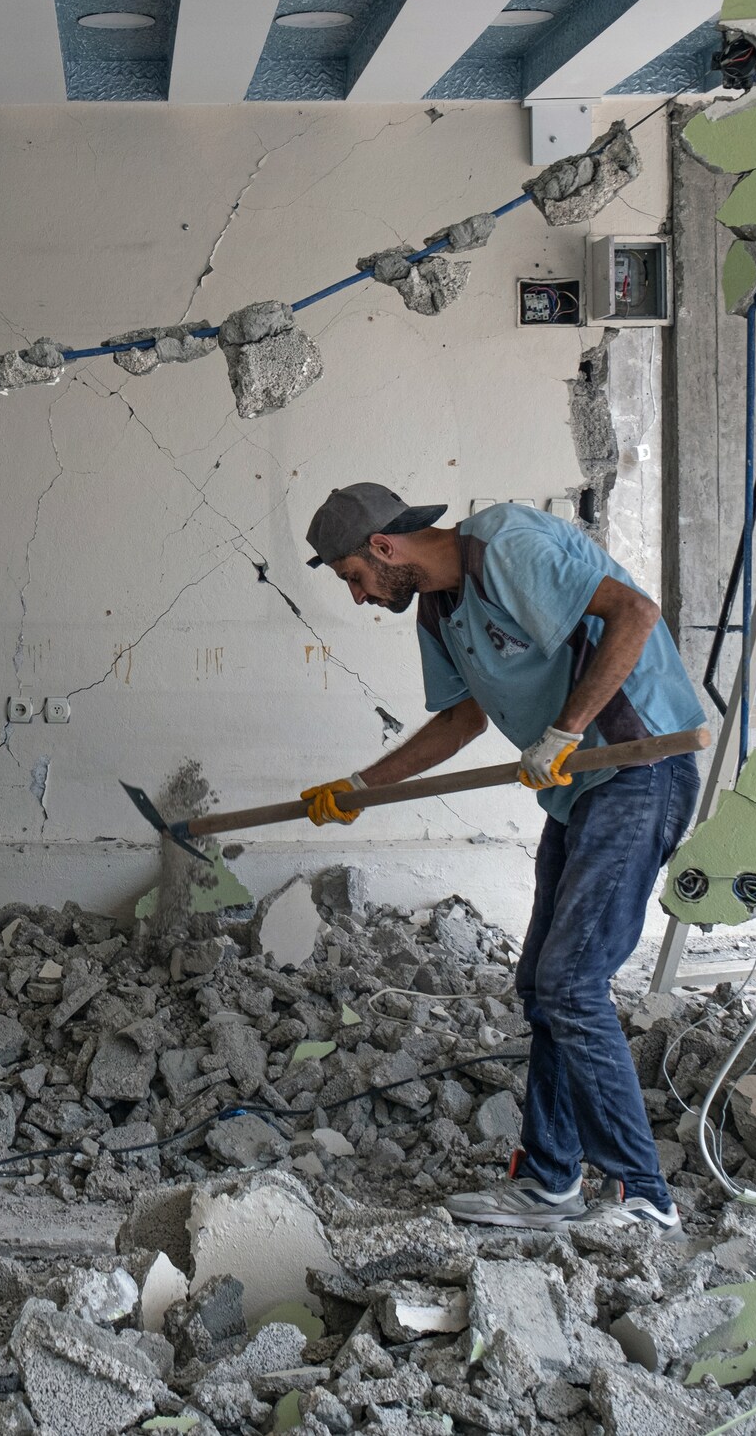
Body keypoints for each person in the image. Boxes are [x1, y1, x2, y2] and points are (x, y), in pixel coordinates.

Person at [299, 483, 706, 1230]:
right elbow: (461, 720)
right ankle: (550, 1181)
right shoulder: (439, 611)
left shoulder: (505, 546)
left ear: (384, 548)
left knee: (573, 981)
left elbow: (635, 615)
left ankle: (643, 1196)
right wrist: (361, 786)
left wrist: (566, 728)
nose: (357, 597)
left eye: (353, 578)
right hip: (583, 791)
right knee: (543, 986)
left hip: (643, 766)